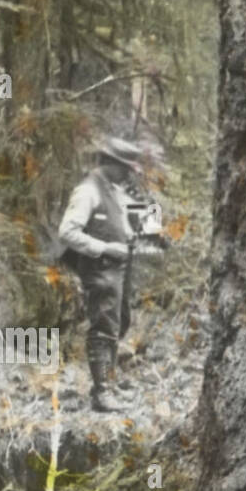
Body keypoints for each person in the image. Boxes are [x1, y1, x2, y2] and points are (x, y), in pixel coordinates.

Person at [57, 136, 162, 412]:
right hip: (100, 268)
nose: (129, 174)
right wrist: (104, 248)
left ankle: (109, 384)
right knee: (104, 328)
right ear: (112, 164)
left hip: (119, 267)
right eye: (126, 168)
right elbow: (67, 232)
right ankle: (102, 393)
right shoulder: (88, 190)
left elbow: (129, 222)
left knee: (120, 323)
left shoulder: (113, 187)